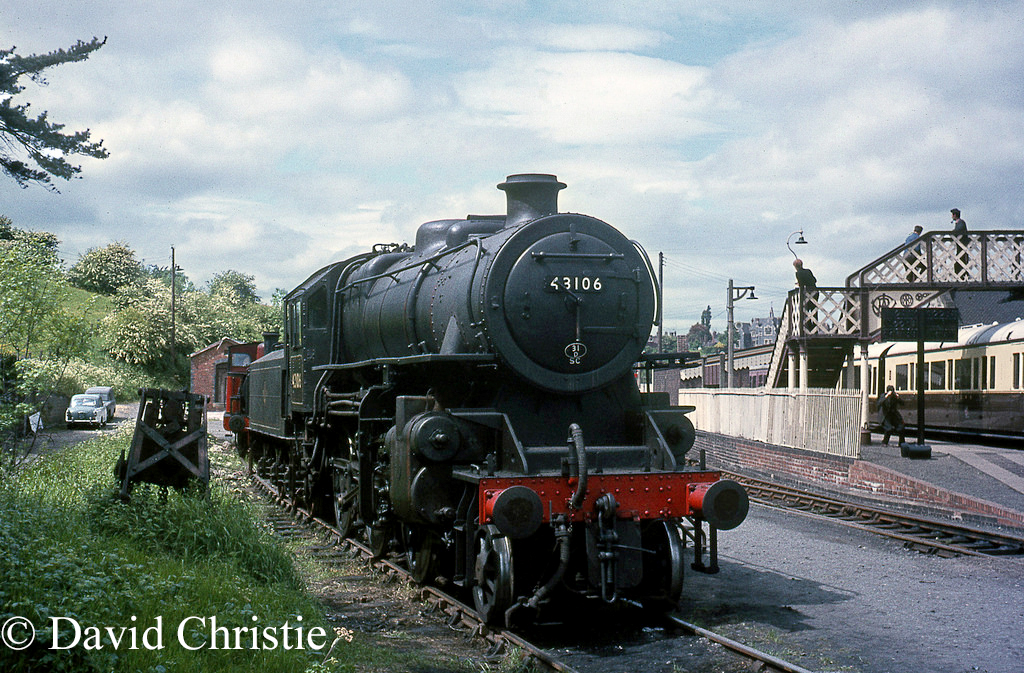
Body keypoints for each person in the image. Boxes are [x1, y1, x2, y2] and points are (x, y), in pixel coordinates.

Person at [793, 259, 817, 332]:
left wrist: (798, 284)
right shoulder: (808, 271)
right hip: (815, 293)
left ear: (795, 266)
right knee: (814, 310)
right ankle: (815, 327)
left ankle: (808, 327)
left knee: (805, 310)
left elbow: (801, 284)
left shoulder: (798, 273)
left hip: (806, 294)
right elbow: (814, 280)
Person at [950, 208, 968, 278]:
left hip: (962, 245)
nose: (952, 216)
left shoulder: (961, 223)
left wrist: (952, 232)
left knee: (961, 262)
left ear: (955, 215)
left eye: (952, 215)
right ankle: (961, 276)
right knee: (959, 262)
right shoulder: (960, 222)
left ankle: (962, 276)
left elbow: (958, 230)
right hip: (960, 246)